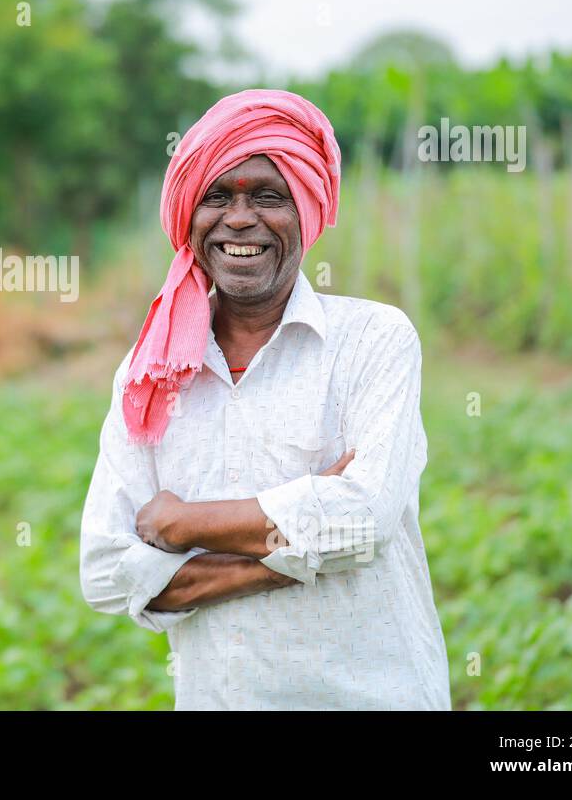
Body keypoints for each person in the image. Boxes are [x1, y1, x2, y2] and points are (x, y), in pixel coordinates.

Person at [78, 89, 451, 709]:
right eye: (217, 196)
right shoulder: (150, 375)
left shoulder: (371, 340)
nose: (240, 218)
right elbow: (105, 571)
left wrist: (183, 524)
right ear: (189, 221)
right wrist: (298, 545)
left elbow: (364, 521)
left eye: (268, 196)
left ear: (306, 211)